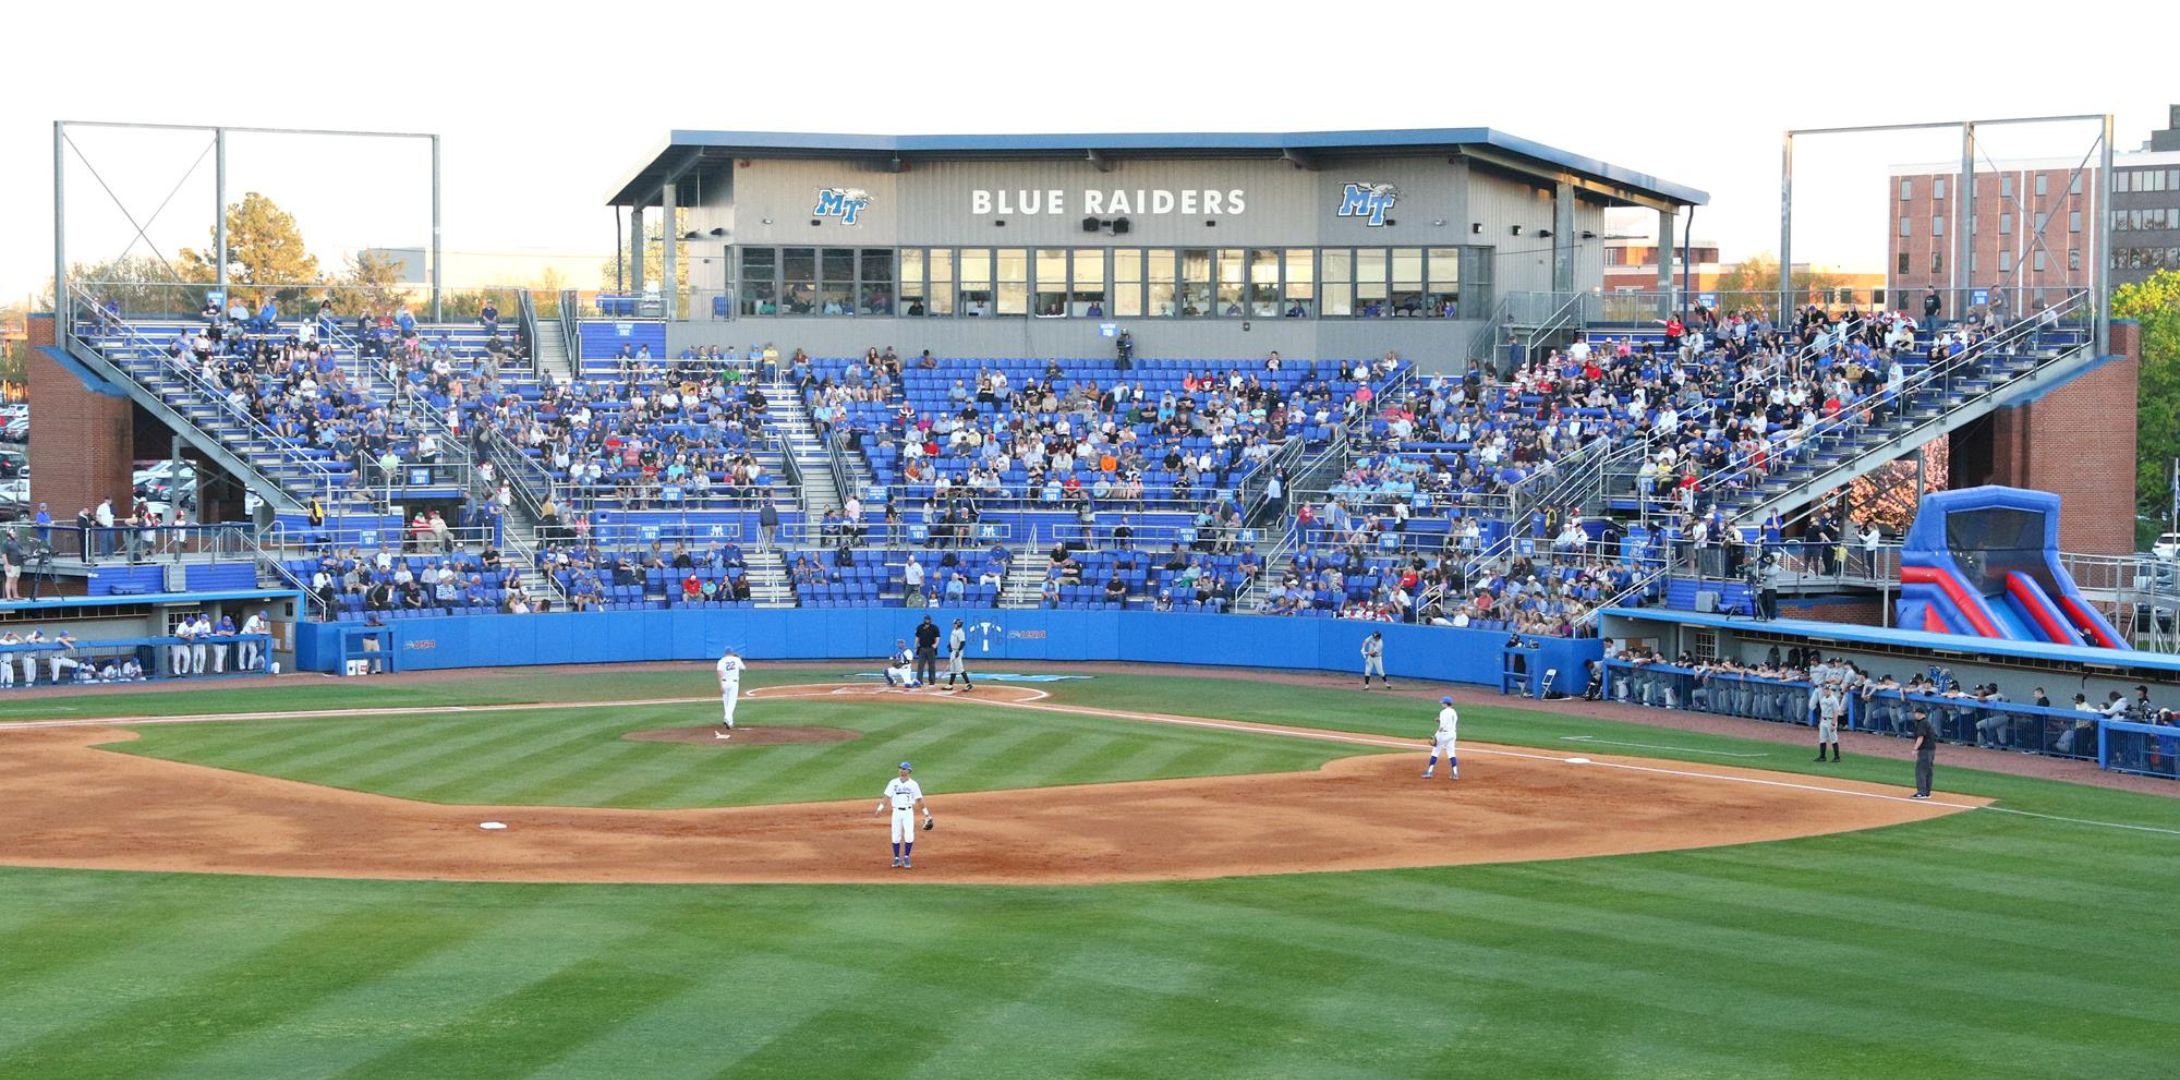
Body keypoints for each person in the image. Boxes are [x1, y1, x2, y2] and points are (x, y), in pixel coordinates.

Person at [874, 761, 932, 868]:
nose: (901, 770)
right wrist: (880, 808)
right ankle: (896, 858)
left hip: (908, 812)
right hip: (896, 812)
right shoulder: (893, 782)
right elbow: (887, 796)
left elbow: (919, 800)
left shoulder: (913, 784)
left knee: (909, 835)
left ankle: (906, 857)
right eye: (900, 768)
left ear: (908, 771)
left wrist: (927, 814)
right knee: (896, 835)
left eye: (904, 769)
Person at [1422, 695, 1460, 781]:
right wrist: (1440, 720)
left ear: (1446, 703)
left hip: (1444, 734)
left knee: (1435, 751)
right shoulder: (1454, 711)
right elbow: (1450, 722)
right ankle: (1455, 773)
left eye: (1443, 702)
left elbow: (1442, 726)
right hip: (1452, 734)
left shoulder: (1443, 712)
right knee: (1451, 753)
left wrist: (1436, 735)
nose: (1442, 704)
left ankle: (1429, 772)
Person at [713, 647, 746, 739]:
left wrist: (720, 686)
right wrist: (739, 659)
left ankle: (729, 721)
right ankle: (727, 718)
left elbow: (719, 673)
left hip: (724, 682)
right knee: (732, 702)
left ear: (725, 653)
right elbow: (744, 669)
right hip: (734, 683)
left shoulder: (721, 661)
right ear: (732, 653)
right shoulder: (736, 659)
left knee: (726, 703)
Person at [1910, 706, 1938, 799]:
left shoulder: (1922, 723)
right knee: (1928, 771)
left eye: (1916, 713)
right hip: (1931, 750)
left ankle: (1921, 792)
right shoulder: (1926, 723)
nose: (1914, 714)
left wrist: (1915, 749)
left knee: (1920, 770)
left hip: (1925, 750)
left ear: (1920, 714)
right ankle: (1926, 792)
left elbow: (1920, 737)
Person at [1815, 680, 1845, 763]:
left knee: (1833, 739)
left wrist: (1834, 723)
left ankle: (1837, 757)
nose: (1826, 691)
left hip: (1830, 720)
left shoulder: (1833, 700)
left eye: (1828, 689)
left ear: (1830, 690)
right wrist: (1820, 721)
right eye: (1825, 689)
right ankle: (1822, 756)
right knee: (1822, 738)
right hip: (1824, 720)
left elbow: (1836, 712)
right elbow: (1822, 711)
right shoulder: (1823, 699)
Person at [945, 618, 974, 692]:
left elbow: (963, 643)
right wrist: (949, 646)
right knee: (953, 669)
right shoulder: (954, 630)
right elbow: (952, 640)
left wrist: (958, 651)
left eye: (955, 623)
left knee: (960, 668)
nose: (954, 625)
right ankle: (950, 685)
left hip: (957, 651)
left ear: (958, 624)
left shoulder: (961, 632)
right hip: (953, 651)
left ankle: (968, 684)